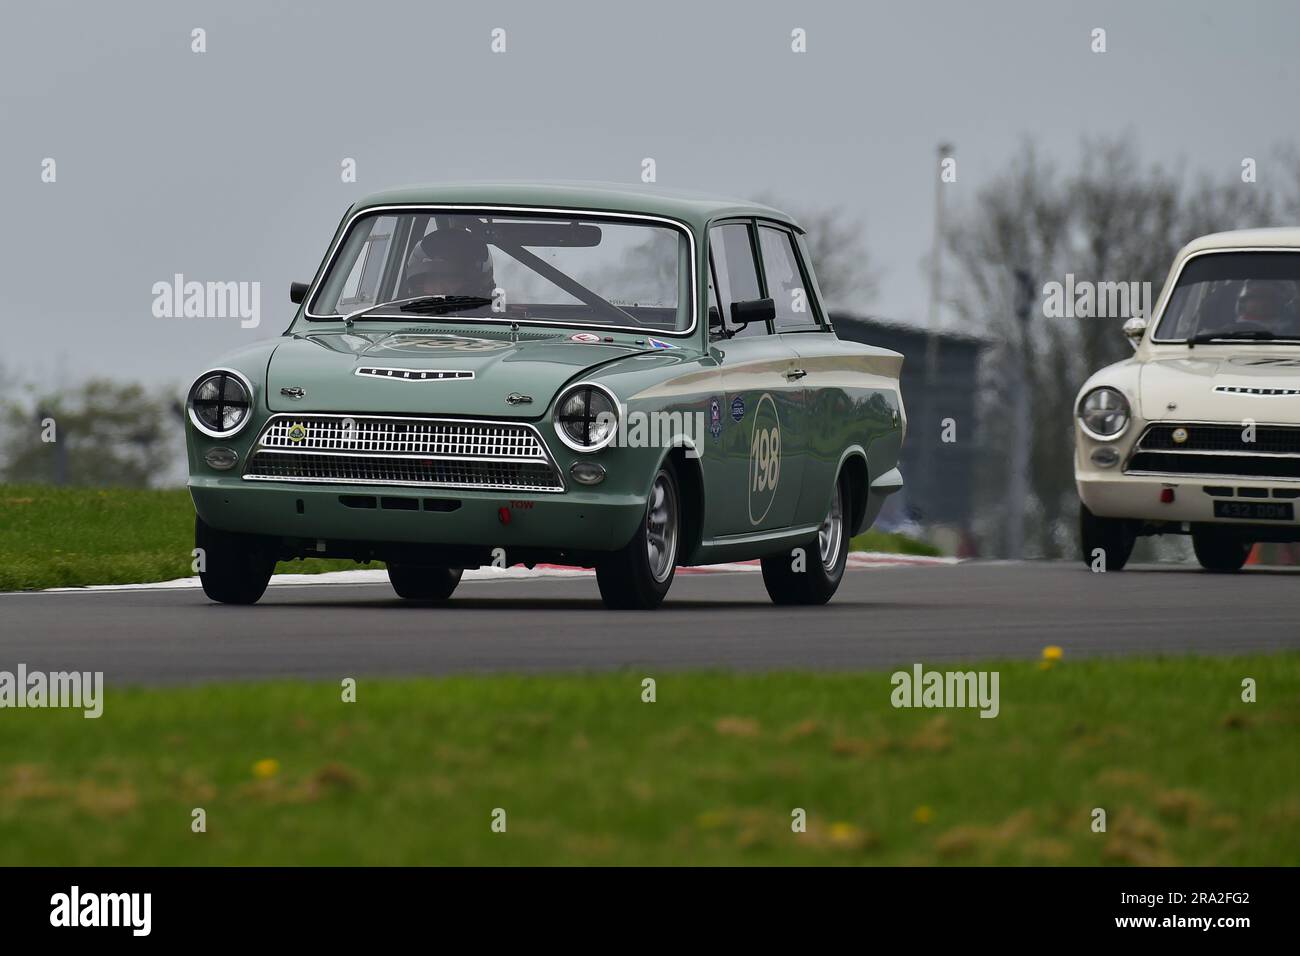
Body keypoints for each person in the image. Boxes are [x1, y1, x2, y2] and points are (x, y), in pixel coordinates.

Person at [402, 228, 496, 299]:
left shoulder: (498, 321)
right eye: (432, 279)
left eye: (449, 279)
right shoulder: (395, 312)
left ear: (471, 285)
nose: (438, 288)